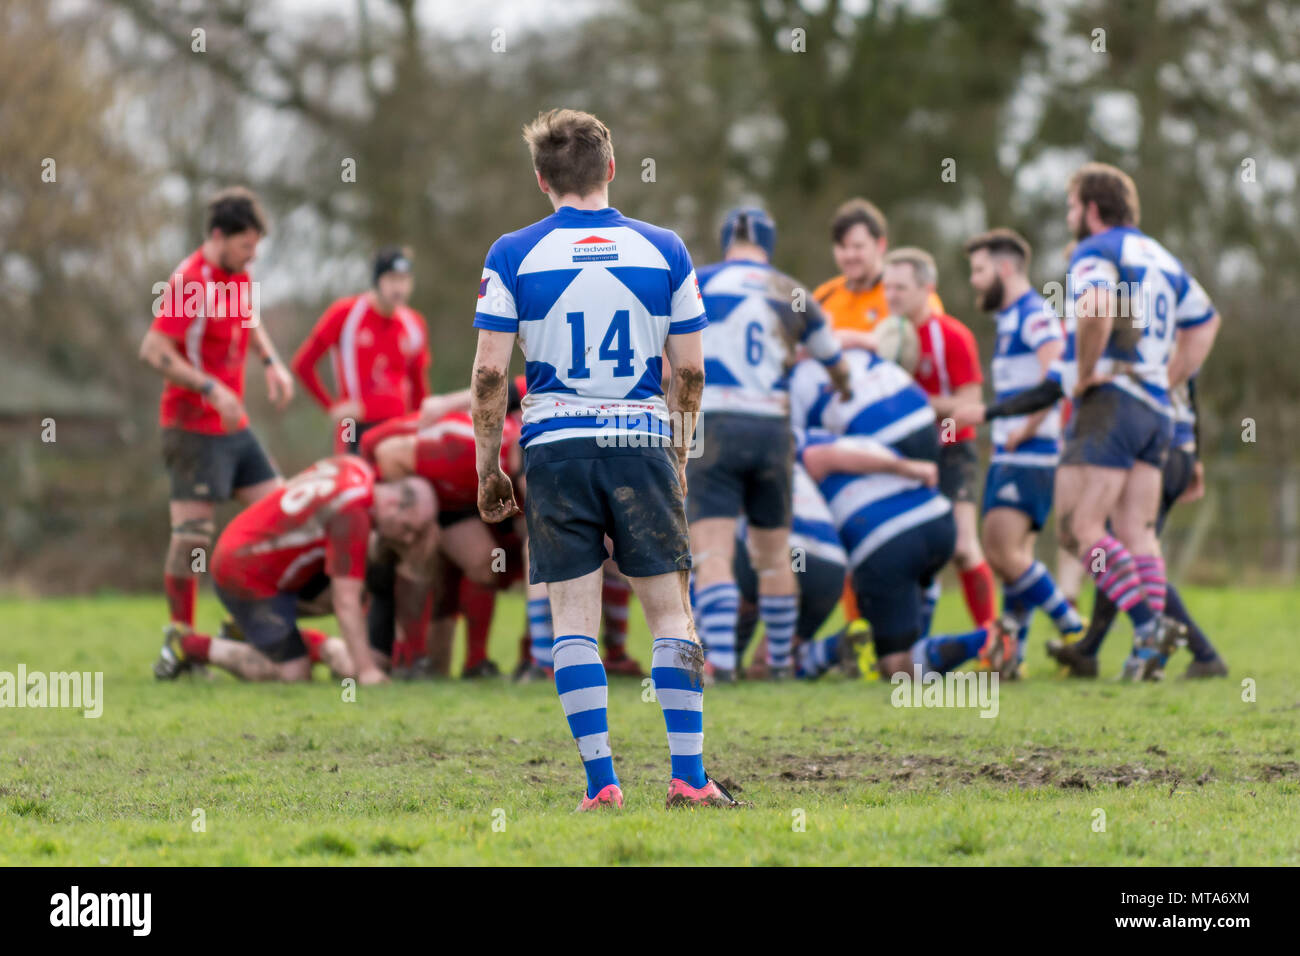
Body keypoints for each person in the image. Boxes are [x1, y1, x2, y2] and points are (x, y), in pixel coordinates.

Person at [471, 108, 736, 810]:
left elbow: (491, 377)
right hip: (641, 439)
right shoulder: (667, 250)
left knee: (573, 621)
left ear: (541, 180)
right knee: (671, 615)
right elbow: (691, 375)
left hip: (555, 446)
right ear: (611, 169)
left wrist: (487, 465)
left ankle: (602, 785)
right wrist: (678, 451)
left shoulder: (512, 253)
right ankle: (689, 777)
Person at [1049, 163, 1219, 680]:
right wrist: (1168, 376)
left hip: (1113, 399)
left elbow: (1097, 306)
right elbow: (1206, 322)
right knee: (1136, 533)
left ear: (1092, 210)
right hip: (1155, 408)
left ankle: (1148, 628)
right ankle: (1149, 652)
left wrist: (1082, 374)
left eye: (1073, 206)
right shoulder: (1165, 258)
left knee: (1079, 531)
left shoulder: (1096, 250)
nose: (1071, 216)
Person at [689, 206, 850, 681]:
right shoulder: (795, 293)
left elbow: (665, 356)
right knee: (773, 553)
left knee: (712, 552)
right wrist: (842, 389)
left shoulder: (697, 283)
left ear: (725, 241)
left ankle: (721, 662)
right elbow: (836, 366)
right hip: (773, 429)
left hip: (714, 424)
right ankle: (780, 664)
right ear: (770, 244)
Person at [789, 348, 1018, 680]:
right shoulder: (852, 435)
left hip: (887, 542)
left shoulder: (800, 444)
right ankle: (961, 637)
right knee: (909, 626)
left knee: (895, 667)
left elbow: (819, 458)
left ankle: (982, 641)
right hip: (938, 523)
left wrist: (902, 466)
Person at [137, 186, 294, 640]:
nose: (252, 255)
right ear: (219, 236)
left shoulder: (238, 276)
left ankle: (247, 623)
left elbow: (248, 318)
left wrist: (271, 364)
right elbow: (153, 348)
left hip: (234, 426)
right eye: (246, 245)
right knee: (192, 538)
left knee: (283, 515)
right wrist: (211, 388)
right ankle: (181, 640)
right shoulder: (191, 281)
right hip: (190, 427)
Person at [152, 457, 435, 684]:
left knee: (369, 568)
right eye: (408, 528)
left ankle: (255, 631)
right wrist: (366, 672)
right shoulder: (353, 514)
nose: (408, 538)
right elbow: (345, 600)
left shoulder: (356, 467)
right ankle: (187, 645)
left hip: (261, 555)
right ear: (393, 503)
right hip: (244, 573)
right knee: (294, 674)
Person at [959, 229, 1084, 668]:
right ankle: (1015, 654)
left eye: (979, 270)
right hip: (1013, 453)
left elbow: (1057, 381)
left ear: (1005, 267)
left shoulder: (1035, 315)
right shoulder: (1009, 317)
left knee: (1000, 551)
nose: (974, 280)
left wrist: (1017, 425)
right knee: (1015, 560)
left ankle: (1072, 626)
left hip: (1030, 454)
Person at [1045, 379, 1228, 677]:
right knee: (1127, 550)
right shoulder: (1172, 334)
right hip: (1176, 445)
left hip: (1153, 444)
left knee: (1123, 551)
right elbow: (1191, 392)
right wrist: (1196, 456)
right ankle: (1105, 650)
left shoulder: (1138, 340)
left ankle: (1189, 650)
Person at [883, 247, 997, 628]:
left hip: (953, 451)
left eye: (901, 287)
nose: (891, 295)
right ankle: (911, 648)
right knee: (913, 553)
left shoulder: (953, 336)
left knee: (964, 548)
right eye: (887, 287)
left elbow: (971, 403)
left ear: (926, 288)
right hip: (905, 456)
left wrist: (917, 403)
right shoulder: (883, 338)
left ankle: (992, 642)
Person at [291, 246, 430, 453]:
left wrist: (423, 426)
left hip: (397, 425)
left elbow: (418, 384)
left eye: (404, 279)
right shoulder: (345, 314)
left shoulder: (414, 323)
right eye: (392, 279)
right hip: (353, 427)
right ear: (377, 280)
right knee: (355, 481)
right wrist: (332, 407)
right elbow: (302, 365)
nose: (399, 287)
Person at [813, 198, 944, 334]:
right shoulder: (824, 295)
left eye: (858, 246)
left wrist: (853, 340)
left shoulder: (913, 292)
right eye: (842, 247)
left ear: (880, 245)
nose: (849, 255)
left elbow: (930, 340)